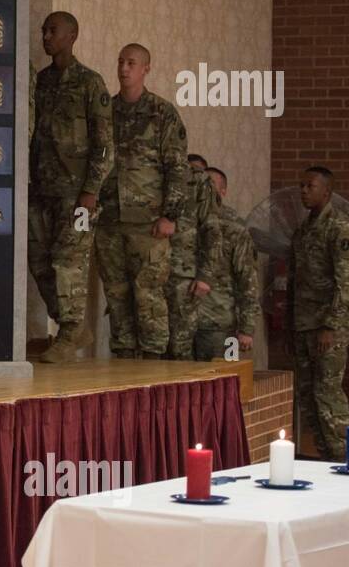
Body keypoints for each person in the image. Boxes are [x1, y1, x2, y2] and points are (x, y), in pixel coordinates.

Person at [29, 11, 114, 363]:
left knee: (69, 263)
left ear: (72, 35)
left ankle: (68, 330)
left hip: (76, 193)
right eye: (44, 31)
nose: (46, 37)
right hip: (41, 188)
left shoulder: (90, 83)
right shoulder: (42, 81)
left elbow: (106, 145)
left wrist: (90, 191)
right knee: (39, 261)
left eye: (53, 31)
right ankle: (71, 328)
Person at [95, 43, 187, 359]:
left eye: (131, 63)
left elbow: (177, 168)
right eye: (120, 61)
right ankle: (123, 357)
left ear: (146, 68)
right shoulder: (105, 109)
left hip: (148, 222)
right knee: (117, 294)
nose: (124, 68)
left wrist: (170, 215)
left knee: (148, 294)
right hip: (109, 218)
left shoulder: (162, 113)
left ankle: (152, 360)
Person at [288, 166, 349, 460]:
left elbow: (346, 282)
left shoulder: (340, 227)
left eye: (310, 186)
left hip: (328, 325)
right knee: (308, 394)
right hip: (304, 323)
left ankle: (343, 456)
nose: (304, 191)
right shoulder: (303, 229)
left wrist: (330, 326)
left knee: (327, 393)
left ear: (327, 192)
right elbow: (295, 280)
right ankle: (325, 456)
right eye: (302, 185)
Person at [193, 167, 261, 360]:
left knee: (222, 383)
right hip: (185, 323)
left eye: (210, 186)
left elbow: (248, 280)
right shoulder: (186, 224)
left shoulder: (234, 229)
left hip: (220, 325)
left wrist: (247, 328)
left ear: (223, 191)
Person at [166, 153, 223, 359]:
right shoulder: (163, 183)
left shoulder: (203, 193)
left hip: (185, 276)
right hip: (156, 273)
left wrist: (205, 276)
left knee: (180, 347)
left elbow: (213, 234)